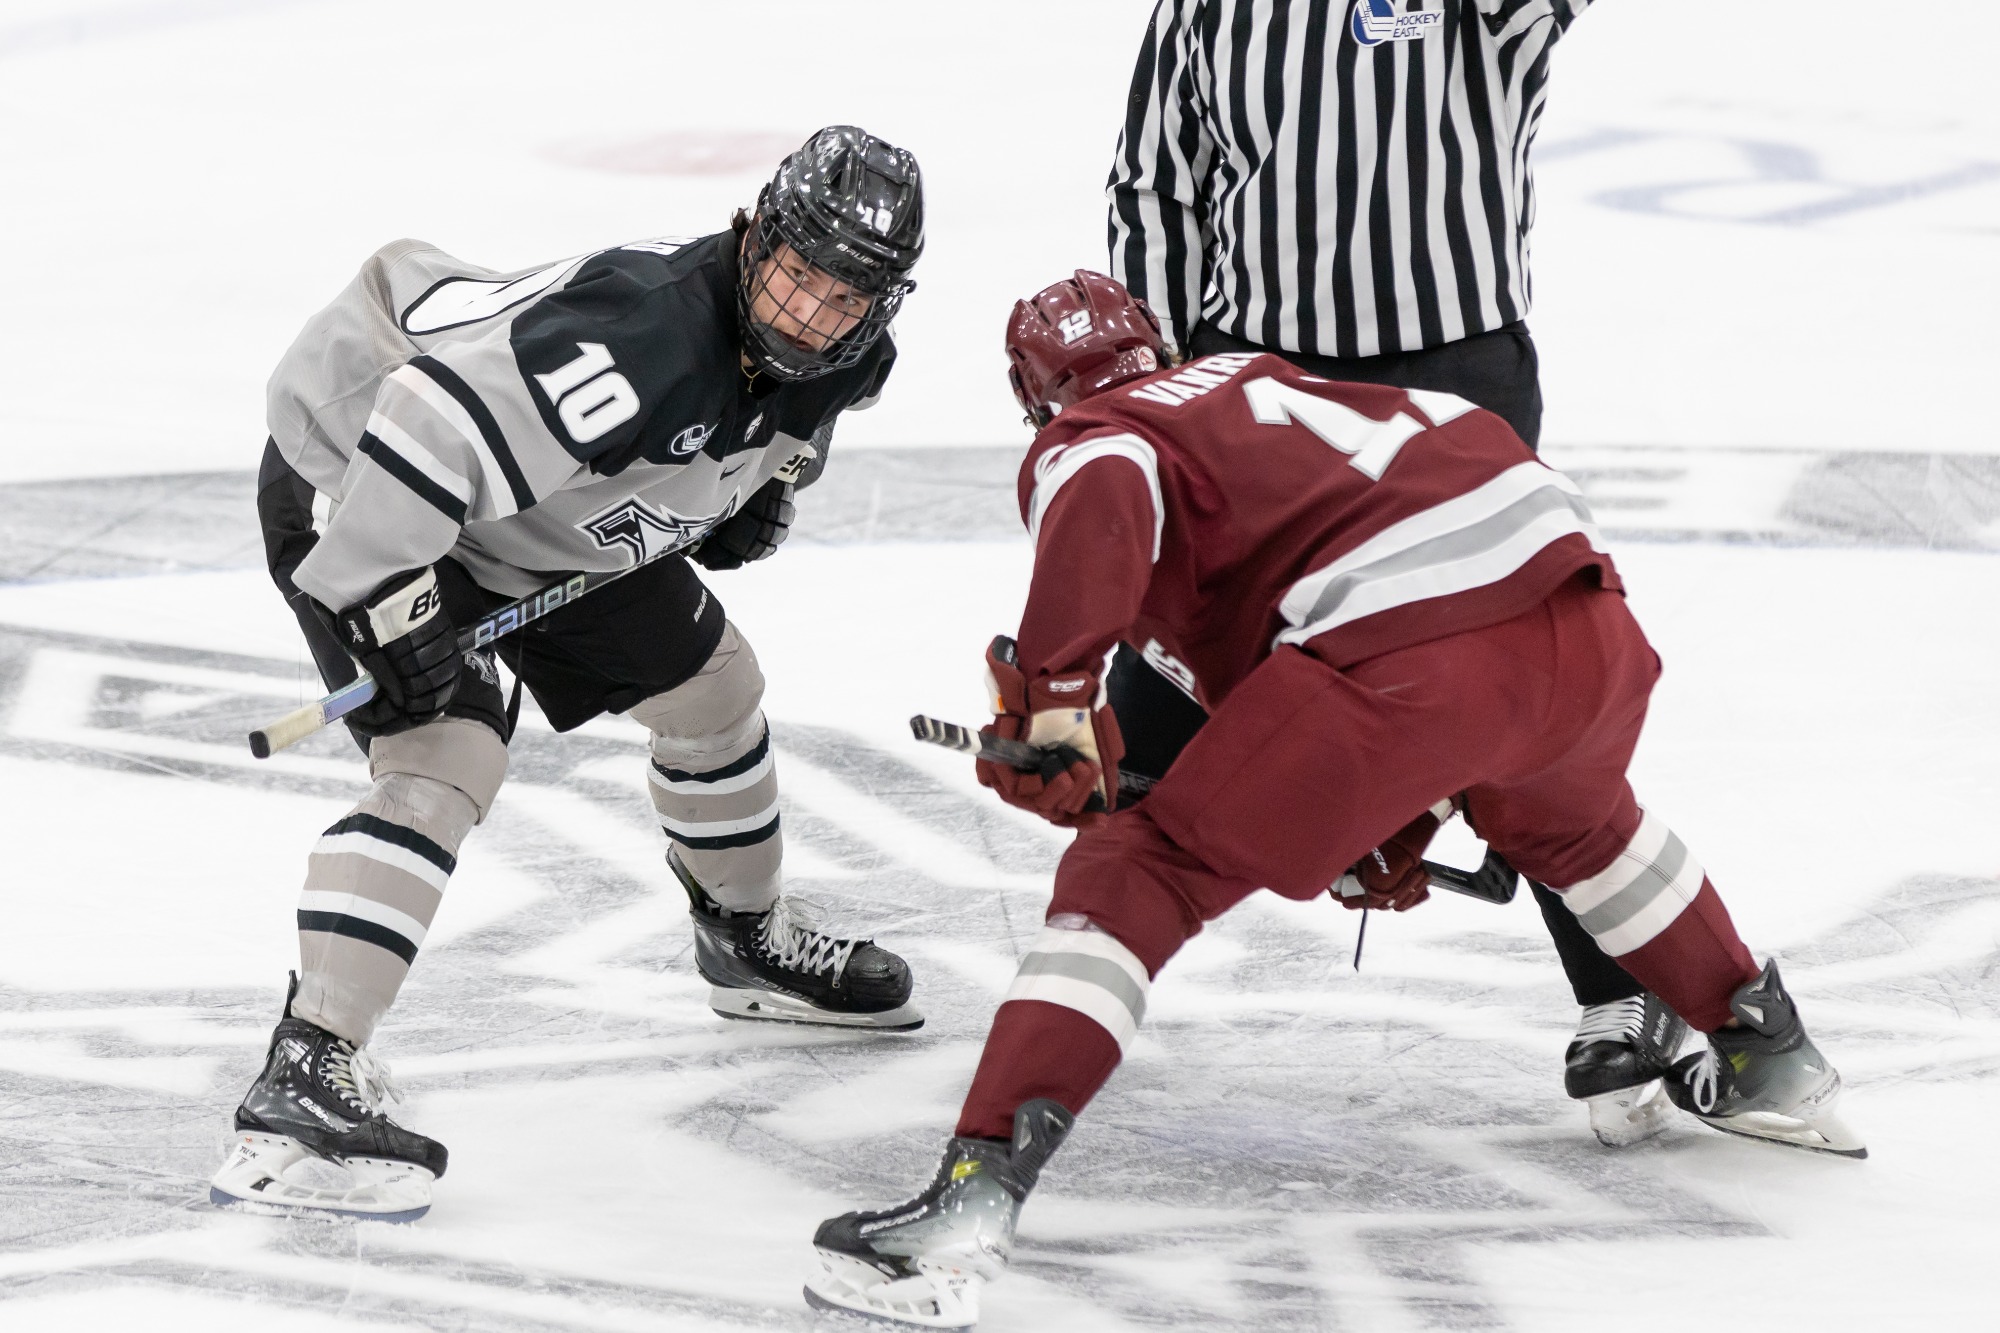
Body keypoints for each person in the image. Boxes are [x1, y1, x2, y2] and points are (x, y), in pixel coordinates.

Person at [803, 273, 1861, 1330]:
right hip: (1580, 612)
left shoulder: (1101, 430)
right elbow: (1322, 656)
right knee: (1578, 827)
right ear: (1155, 347)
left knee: (1140, 865)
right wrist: (1388, 811)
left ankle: (964, 1208)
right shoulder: (1256, 385)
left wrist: (1052, 698)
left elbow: (1108, 473)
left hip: (1413, 645)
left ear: (1029, 396)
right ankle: (1768, 1053)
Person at [210, 126, 926, 1223]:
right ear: (753, 235)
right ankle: (303, 1070)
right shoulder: (645, 334)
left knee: (713, 689)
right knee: (445, 751)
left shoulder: (846, 360)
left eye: (842, 296)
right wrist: (390, 613)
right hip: (364, 471)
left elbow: (778, 435)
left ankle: (743, 941)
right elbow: (426, 425)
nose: (807, 314)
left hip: (536, 521)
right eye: (793, 274)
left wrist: (741, 493)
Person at [1104, 0, 1680, 1144]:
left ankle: (1628, 980)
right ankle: (1085, 970)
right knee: (1162, 692)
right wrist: (1169, 388)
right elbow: (1156, 185)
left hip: (1447, 376)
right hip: (1261, 382)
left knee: (1505, 704)